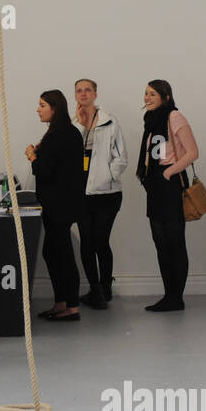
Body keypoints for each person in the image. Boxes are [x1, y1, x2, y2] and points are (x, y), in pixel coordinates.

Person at [136, 79, 198, 312]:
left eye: (153, 94)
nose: (147, 98)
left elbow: (192, 152)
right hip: (154, 185)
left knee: (175, 242)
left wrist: (168, 173)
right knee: (160, 242)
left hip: (170, 184)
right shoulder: (150, 120)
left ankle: (176, 297)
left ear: (166, 96)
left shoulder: (174, 117)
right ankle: (168, 295)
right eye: (146, 93)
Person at [25, 91, 83, 322]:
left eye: (42, 105)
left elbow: (44, 170)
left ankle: (71, 306)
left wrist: (32, 156)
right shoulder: (66, 132)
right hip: (62, 203)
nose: (38, 109)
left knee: (61, 254)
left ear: (54, 108)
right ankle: (62, 302)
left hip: (59, 205)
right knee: (53, 252)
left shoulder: (57, 135)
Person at [72, 79, 128, 309]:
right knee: (87, 241)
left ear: (95, 93)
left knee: (101, 241)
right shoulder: (73, 122)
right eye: (79, 90)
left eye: (87, 90)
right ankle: (94, 289)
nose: (83, 94)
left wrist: (108, 175)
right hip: (81, 192)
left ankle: (105, 287)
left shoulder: (109, 121)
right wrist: (82, 125)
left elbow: (121, 157)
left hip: (107, 193)